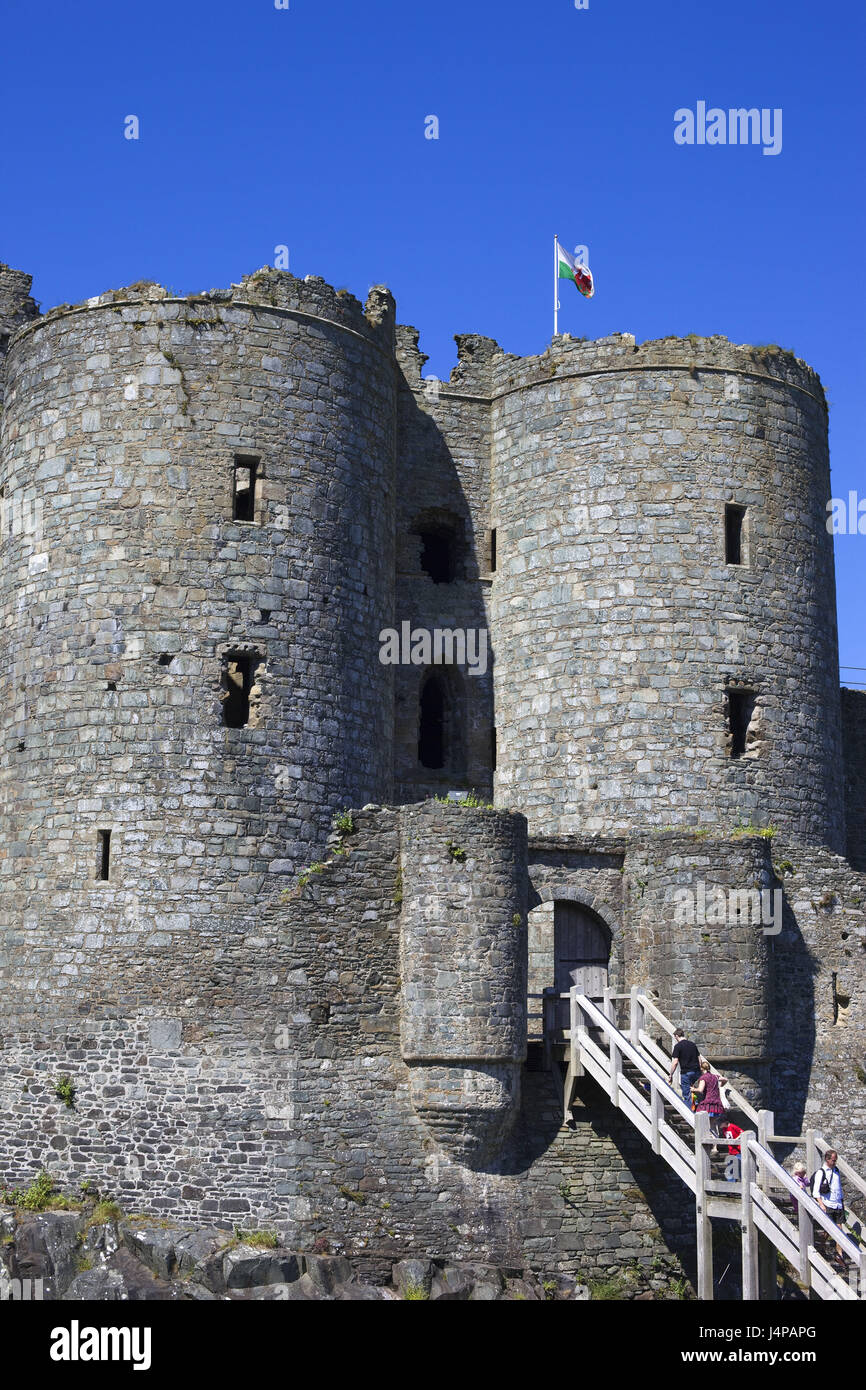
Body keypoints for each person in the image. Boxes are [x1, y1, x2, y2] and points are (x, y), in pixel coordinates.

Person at [811, 1149, 845, 1262]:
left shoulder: (836, 1171)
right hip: (827, 1204)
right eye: (833, 1160)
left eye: (836, 1160)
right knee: (828, 1231)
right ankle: (821, 1246)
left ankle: (839, 1255)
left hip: (838, 1204)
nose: (835, 1163)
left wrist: (841, 1201)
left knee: (840, 1230)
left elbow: (838, 1187)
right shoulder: (821, 1172)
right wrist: (821, 1204)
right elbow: (815, 1191)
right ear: (827, 1159)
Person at [692, 1059, 728, 1147]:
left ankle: (706, 1143)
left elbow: (700, 1090)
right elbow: (725, 1079)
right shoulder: (715, 1076)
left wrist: (693, 1089)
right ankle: (715, 1147)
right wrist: (721, 1085)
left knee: (703, 1123)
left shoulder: (703, 1078)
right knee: (713, 1125)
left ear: (701, 1069)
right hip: (716, 1104)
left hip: (707, 1103)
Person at [669, 1027, 701, 1107]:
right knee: (692, 1090)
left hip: (686, 1073)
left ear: (676, 1036)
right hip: (696, 1072)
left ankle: (690, 1115)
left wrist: (671, 1074)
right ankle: (696, 1105)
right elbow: (699, 1059)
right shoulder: (692, 1044)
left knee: (687, 1096)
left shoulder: (678, 1046)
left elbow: (675, 1062)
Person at [723, 1115, 743, 1181]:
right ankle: (731, 1183)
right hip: (731, 1151)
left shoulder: (732, 1126)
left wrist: (736, 1139)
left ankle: (742, 1182)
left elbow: (742, 1132)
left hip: (738, 1150)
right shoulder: (724, 1129)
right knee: (730, 1167)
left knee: (740, 1166)